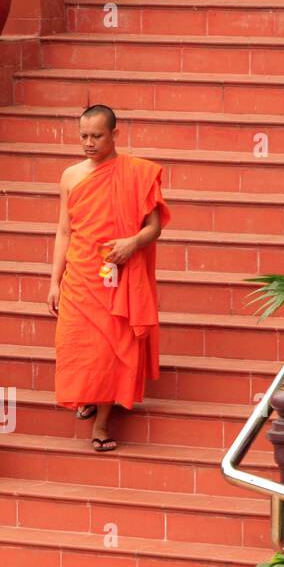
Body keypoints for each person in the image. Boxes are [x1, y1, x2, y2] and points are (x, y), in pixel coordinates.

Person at [47, 104, 171, 452]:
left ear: (115, 134)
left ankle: (101, 422)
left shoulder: (136, 173)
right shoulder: (71, 176)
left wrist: (132, 243)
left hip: (116, 276)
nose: (89, 143)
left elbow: (154, 227)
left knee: (108, 348)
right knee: (76, 344)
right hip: (80, 274)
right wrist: (54, 281)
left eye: (97, 136)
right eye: (84, 136)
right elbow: (63, 230)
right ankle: (86, 396)